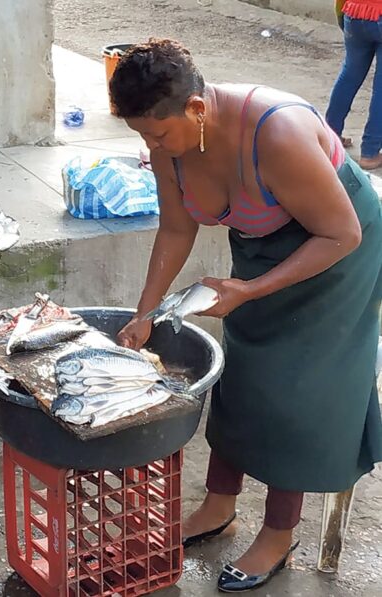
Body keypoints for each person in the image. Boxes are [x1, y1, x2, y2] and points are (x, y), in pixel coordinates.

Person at [110, 39, 382, 592]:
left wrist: (253, 289)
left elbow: (342, 233)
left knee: (297, 390)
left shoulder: (274, 134)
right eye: (142, 134)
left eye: (158, 133)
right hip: (261, 250)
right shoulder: (169, 143)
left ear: (196, 109)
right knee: (242, 376)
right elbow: (176, 228)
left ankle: (279, 533)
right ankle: (218, 507)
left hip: (336, 250)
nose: (152, 145)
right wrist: (147, 314)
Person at [326, 0, 382, 168]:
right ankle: (370, 152)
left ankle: (328, 138)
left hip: (354, 12)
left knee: (349, 76)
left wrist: (344, 19)